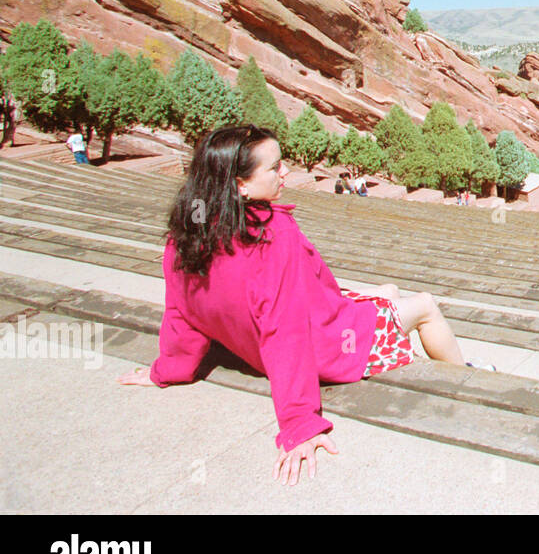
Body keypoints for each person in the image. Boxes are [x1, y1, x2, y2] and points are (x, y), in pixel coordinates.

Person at [116, 124, 488, 487]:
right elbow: (285, 328)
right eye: (275, 167)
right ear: (240, 184)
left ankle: (417, 336)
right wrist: (298, 422)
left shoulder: (183, 238)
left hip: (289, 331)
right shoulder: (273, 235)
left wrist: (167, 370)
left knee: (388, 289)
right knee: (424, 304)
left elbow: (182, 315)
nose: (286, 171)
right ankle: (466, 379)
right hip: (329, 346)